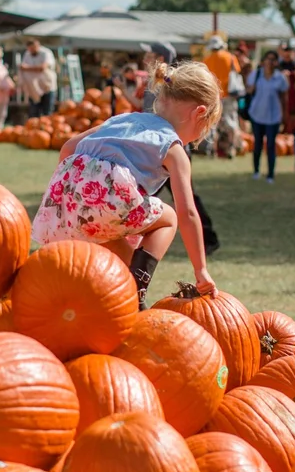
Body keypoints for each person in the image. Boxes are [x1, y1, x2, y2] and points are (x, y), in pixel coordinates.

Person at [31, 60, 222, 305]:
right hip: (109, 201)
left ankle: (124, 298)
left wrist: (76, 189)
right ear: (199, 114)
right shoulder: (173, 149)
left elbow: (69, 148)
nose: (197, 138)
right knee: (169, 218)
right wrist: (201, 270)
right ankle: (137, 292)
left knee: (123, 256)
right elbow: (189, 213)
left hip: (68, 195)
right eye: (203, 131)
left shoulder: (123, 120)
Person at [143, 41, 221, 255]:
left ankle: (208, 238)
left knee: (184, 200)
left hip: (166, 152)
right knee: (157, 197)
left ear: (160, 57)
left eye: (149, 54)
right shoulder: (162, 81)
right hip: (156, 151)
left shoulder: (170, 85)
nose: (145, 58)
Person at [245, 50, 289, 184]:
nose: (270, 62)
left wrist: (285, 115)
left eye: (273, 59)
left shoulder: (280, 78)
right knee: (257, 144)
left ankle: (270, 174)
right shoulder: (256, 74)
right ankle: (256, 171)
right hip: (257, 114)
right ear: (264, 61)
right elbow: (248, 89)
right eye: (268, 59)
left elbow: (284, 98)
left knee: (270, 145)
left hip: (273, 116)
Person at [202, 35, 241, 158]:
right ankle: (231, 148)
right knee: (231, 122)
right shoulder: (230, 57)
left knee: (213, 123)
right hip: (229, 95)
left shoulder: (206, 60)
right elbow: (237, 72)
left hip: (213, 95)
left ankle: (212, 150)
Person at [20, 39, 58, 119]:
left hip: (47, 86)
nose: (32, 50)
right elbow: (22, 67)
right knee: (34, 113)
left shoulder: (46, 53)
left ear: (38, 46)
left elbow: (42, 67)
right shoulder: (27, 54)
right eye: (30, 49)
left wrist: (28, 68)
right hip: (34, 88)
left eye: (33, 48)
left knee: (47, 112)